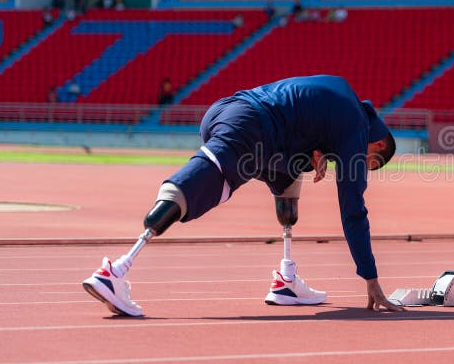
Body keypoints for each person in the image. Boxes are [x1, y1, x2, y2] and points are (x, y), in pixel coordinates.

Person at [82, 75, 403, 316]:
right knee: (196, 183)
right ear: (376, 144)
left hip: (230, 112)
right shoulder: (357, 128)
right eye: (367, 163)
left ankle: (287, 282)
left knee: (290, 175)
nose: (356, 166)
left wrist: (312, 154)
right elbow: (353, 207)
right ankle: (115, 272)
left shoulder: (345, 97)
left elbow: (297, 114)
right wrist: (370, 277)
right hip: (250, 126)